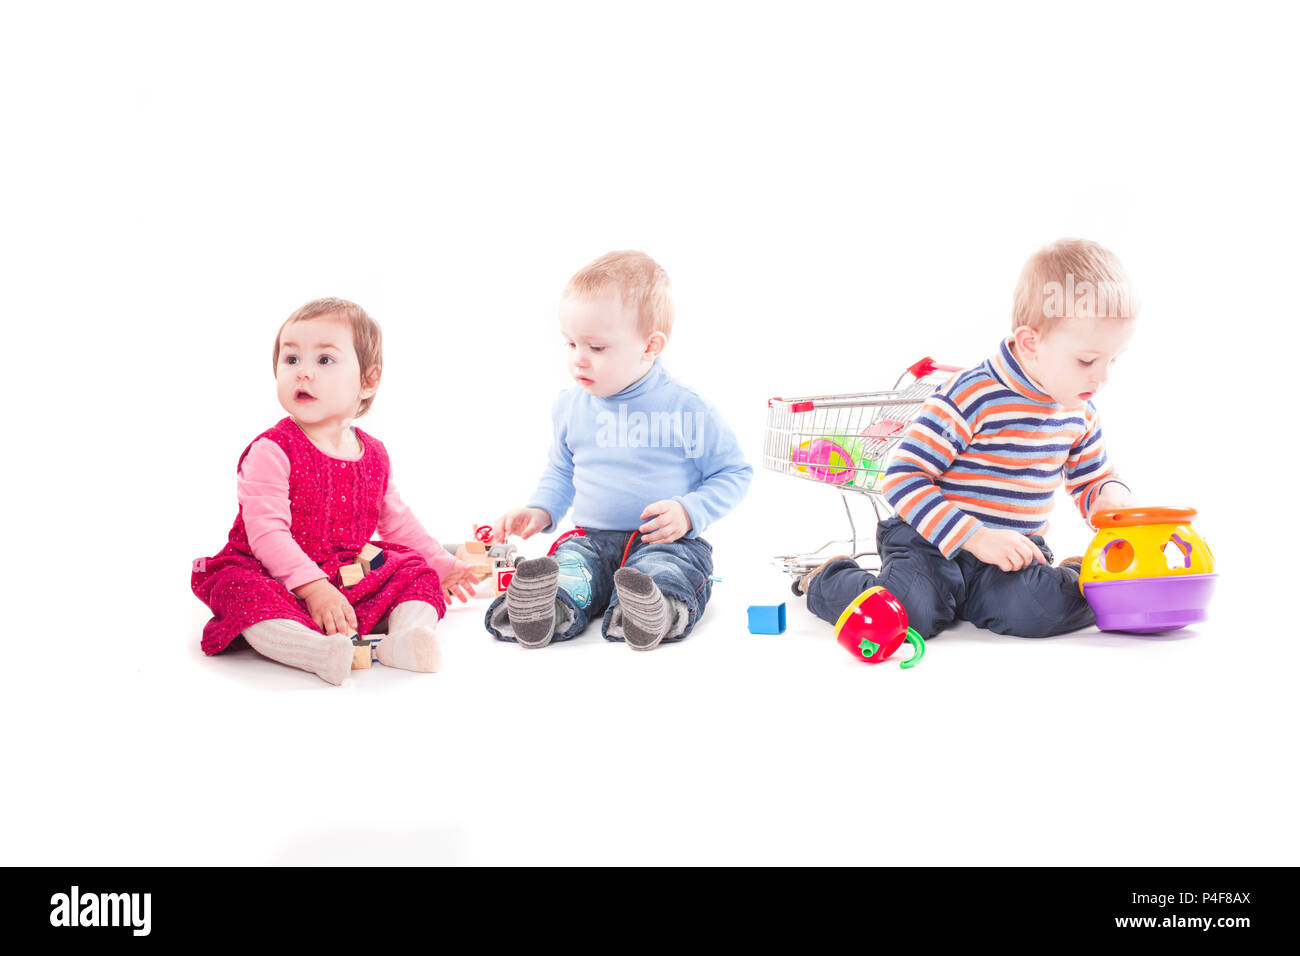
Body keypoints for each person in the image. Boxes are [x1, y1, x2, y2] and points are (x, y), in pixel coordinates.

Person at [804, 239, 1139, 640]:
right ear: (1031, 342)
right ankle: (827, 578)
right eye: (1087, 360)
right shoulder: (970, 396)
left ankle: (1071, 578)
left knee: (1040, 611)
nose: (1101, 377)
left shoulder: (1079, 410)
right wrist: (974, 536)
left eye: (1113, 360)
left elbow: (1092, 479)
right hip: (928, 542)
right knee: (909, 614)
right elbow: (902, 478)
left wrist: (1109, 495)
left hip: (1008, 553)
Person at [191, 298, 479, 684]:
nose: (303, 374)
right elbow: (267, 534)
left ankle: (408, 638)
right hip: (272, 574)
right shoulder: (272, 450)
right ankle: (314, 651)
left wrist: (443, 565)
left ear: (368, 380)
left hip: (346, 573)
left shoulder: (374, 454)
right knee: (243, 593)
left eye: (324, 360)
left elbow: (398, 524)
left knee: (414, 570)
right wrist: (314, 589)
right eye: (291, 360)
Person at [486, 251, 753, 650]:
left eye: (596, 347)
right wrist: (540, 510)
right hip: (592, 540)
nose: (578, 357)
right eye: (571, 343)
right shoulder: (571, 406)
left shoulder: (685, 408)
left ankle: (653, 609)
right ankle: (545, 609)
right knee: (570, 569)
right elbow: (562, 471)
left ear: (650, 346)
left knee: (668, 571)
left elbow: (733, 473)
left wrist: (689, 511)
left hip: (666, 541)